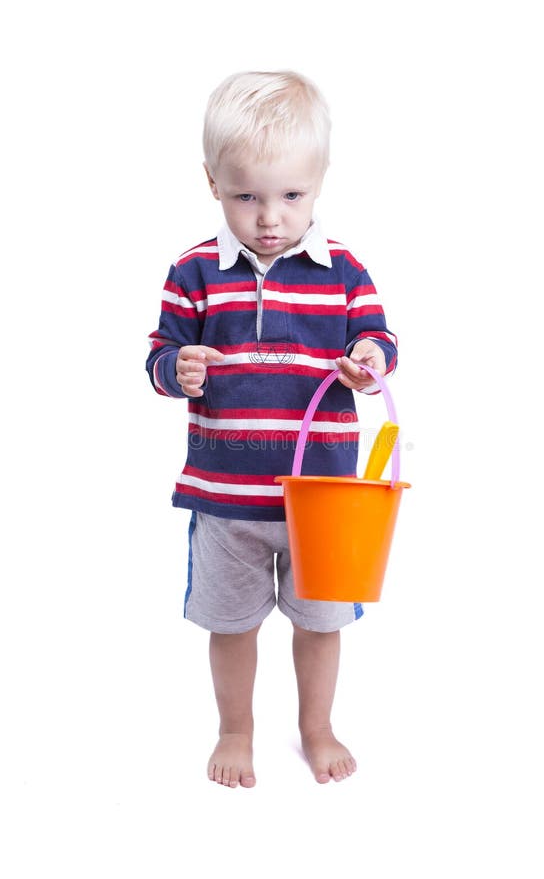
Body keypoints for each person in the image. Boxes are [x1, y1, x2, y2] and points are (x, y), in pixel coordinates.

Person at [146, 71, 397, 788]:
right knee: (232, 624)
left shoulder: (342, 270)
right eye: (245, 195)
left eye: (290, 196)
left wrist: (368, 358)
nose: (268, 217)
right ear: (213, 183)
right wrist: (178, 368)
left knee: (321, 624)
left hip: (322, 497)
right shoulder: (194, 271)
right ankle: (236, 727)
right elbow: (159, 355)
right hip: (226, 495)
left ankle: (316, 727)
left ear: (318, 183)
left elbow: (378, 338)